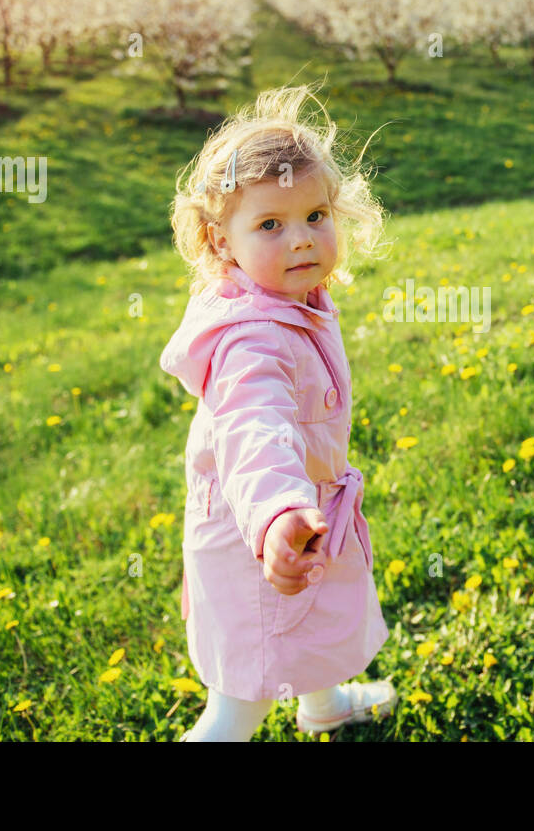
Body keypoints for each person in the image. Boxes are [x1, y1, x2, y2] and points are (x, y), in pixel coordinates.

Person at [160, 82, 395, 740]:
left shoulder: (292, 298)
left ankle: (321, 706)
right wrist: (277, 512)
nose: (302, 240)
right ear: (220, 241)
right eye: (270, 224)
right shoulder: (250, 338)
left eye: (316, 215)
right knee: (246, 697)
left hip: (295, 516)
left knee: (310, 622)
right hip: (258, 533)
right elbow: (252, 427)